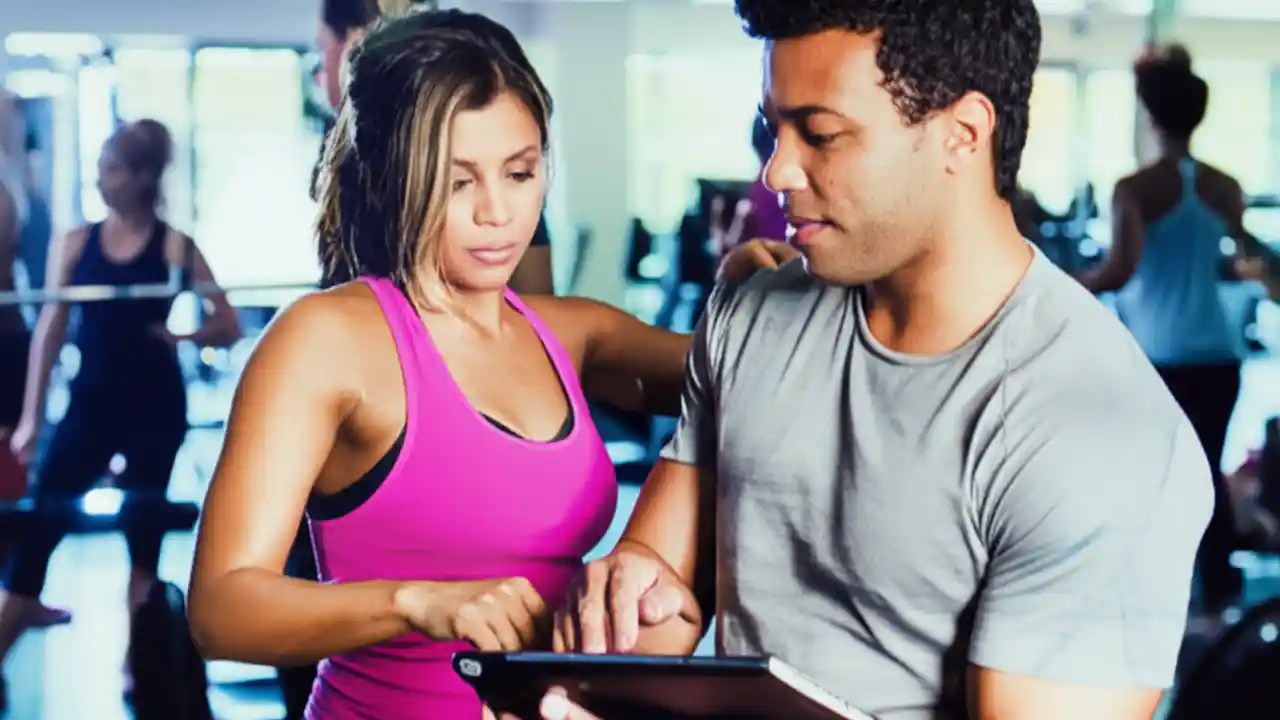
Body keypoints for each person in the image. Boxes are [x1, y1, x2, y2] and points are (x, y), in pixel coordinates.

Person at [543, 2, 1213, 720]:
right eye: (776, 128)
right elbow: (662, 595)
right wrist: (607, 634)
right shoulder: (750, 316)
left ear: (964, 133)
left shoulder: (1098, 432)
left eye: (821, 134)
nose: (777, 171)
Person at [186, 10, 781, 719]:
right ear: (395, 178)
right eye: (457, 180)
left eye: (521, 171)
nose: (498, 211)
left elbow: (746, 371)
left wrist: (760, 291)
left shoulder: (570, 333)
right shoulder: (328, 339)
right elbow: (222, 608)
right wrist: (417, 601)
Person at [0, 118, 241, 705]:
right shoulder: (76, 242)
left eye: (111, 167)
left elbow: (227, 322)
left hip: (155, 408)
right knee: (40, 525)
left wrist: (181, 339)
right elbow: (51, 329)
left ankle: (143, 671)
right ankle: (13, 626)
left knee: (143, 547)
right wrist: (32, 417)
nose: (102, 179)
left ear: (139, 177)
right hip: (92, 402)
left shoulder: (176, 245)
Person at [1078, 47, 1253, 612]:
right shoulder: (1226, 188)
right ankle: (1219, 587)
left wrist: (1060, 283)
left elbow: (1119, 270)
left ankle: (1160, 590)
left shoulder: (1135, 189)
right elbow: (1235, 259)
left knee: (1159, 476)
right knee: (1206, 469)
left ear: (1151, 116)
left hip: (1161, 354)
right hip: (1218, 353)